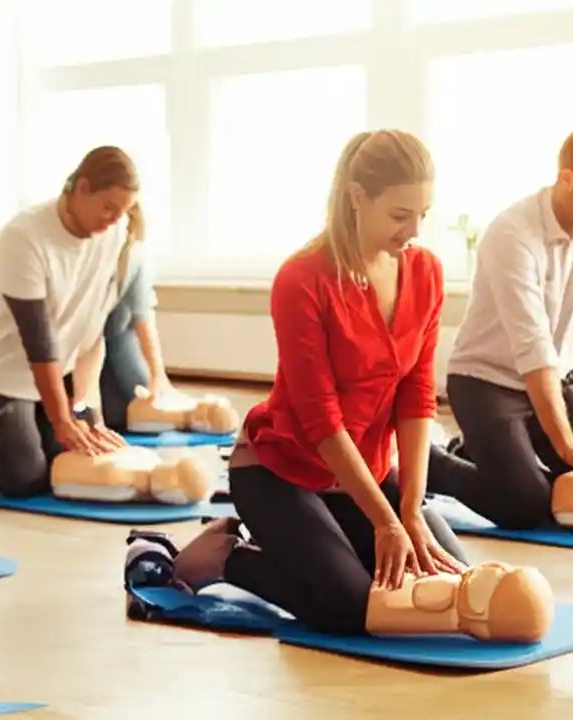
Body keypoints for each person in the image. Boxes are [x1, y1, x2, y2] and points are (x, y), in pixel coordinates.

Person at [162, 129, 467, 635]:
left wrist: (410, 510)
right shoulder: (302, 279)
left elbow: (417, 395)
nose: (413, 230)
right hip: (282, 472)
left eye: (423, 215)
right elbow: (319, 418)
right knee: (351, 608)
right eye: (399, 215)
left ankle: (329, 544)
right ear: (356, 198)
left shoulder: (426, 272)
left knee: (437, 580)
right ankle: (226, 559)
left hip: (362, 476)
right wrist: (386, 523)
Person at [429, 126, 573, 530]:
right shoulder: (511, 234)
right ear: (567, 179)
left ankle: (485, 449)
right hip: (485, 380)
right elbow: (531, 345)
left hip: (552, 378)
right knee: (526, 504)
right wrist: (568, 445)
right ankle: (435, 462)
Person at [0, 146, 137, 497]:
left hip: (61, 372)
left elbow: (92, 325)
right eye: (109, 207)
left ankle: (54, 422)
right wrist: (61, 420)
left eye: (124, 212)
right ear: (82, 188)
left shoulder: (113, 234)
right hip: (7, 375)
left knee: (70, 463)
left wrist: (82, 407)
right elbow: (38, 341)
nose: (115, 220)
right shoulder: (24, 236)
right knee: (25, 480)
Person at [97, 208, 178, 431]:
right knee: (95, 412)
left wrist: (157, 375)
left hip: (115, 346)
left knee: (141, 412)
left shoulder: (134, 256)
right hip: (94, 353)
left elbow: (142, 318)